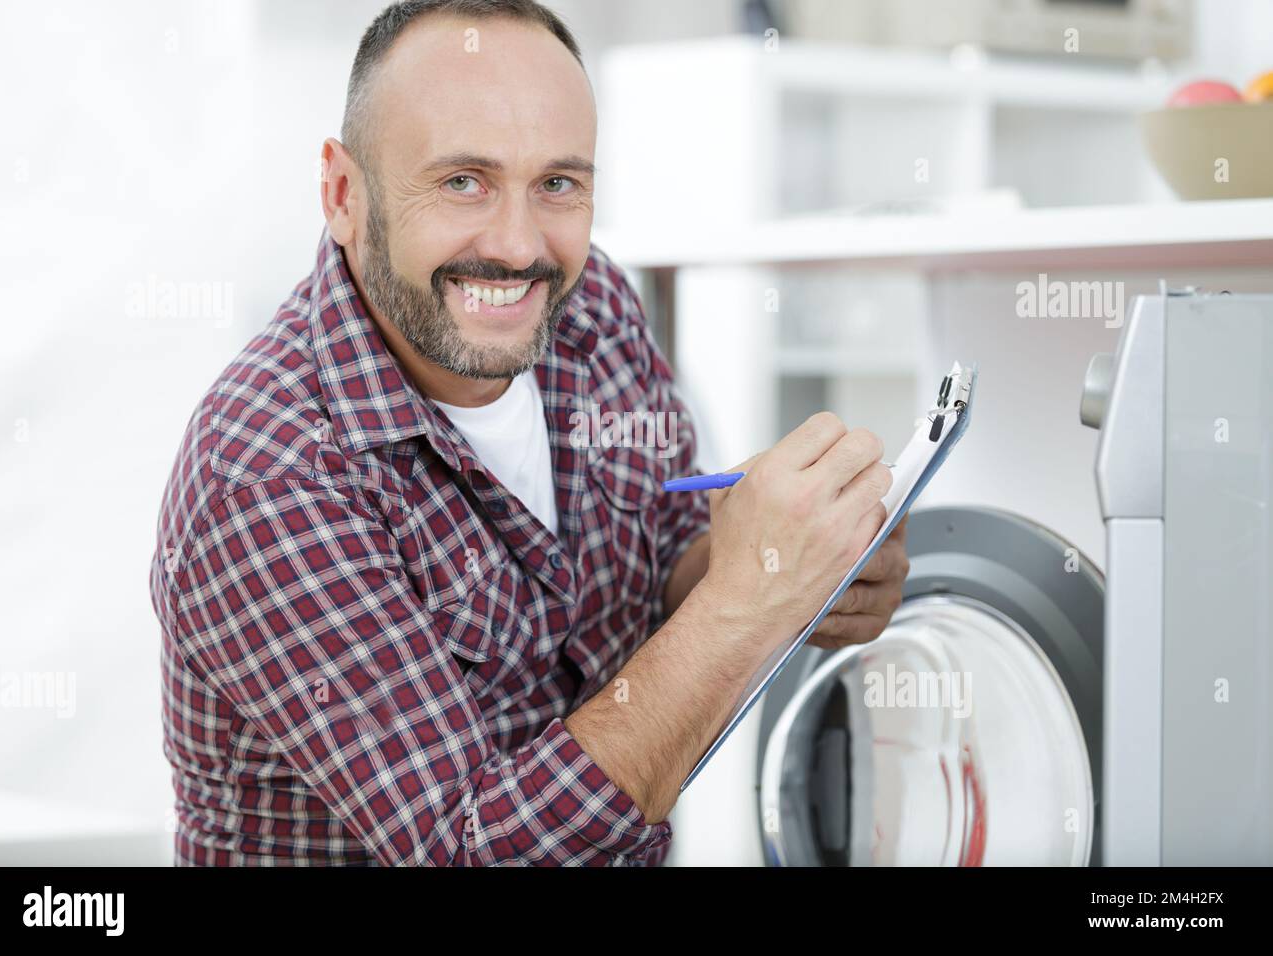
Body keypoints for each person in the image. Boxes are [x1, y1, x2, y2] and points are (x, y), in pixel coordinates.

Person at [149, 0, 907, 866]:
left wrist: (795, 565)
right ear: (343, 195)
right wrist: (746, 606)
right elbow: (477, 851)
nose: (517, 248)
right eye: (462, 181)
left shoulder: (594, 313)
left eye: (557, 184)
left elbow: (664, 559)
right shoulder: (268, 473)